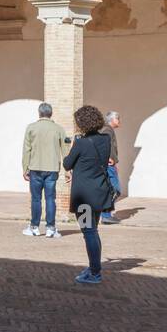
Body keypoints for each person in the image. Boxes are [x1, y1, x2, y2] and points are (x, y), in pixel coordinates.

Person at [62, 104, 115, 286]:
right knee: (93, 231)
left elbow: (67, 164)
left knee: (88, 232)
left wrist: (73, 148)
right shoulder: (105, 139)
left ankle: (95, 272)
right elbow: (94, 161)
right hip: (100, 192)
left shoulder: (81, 143)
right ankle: (94, 267)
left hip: (83, 197)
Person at [21, 101, 70, 238]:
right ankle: (51, 228)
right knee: (50, 199)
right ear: (51, 113)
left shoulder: (31, 128)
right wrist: (68, 170)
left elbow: (26, 150)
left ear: (39, 113)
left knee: (36, 199)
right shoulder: (59, 129)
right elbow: (65, 150)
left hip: (35, 168)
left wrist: (25, 168)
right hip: (52, 169)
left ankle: (34, 227)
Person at [100, 110, 122, 224]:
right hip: (108, 165)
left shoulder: (108, 129)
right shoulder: (107, 130)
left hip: (111, 164)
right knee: (114, 190)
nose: (119, 121)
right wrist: (107, 158)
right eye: (118, 118)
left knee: (113, 190)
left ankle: (106, 214)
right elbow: (104, 145)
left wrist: (115, 163)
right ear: (112, 120)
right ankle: (105, 215)